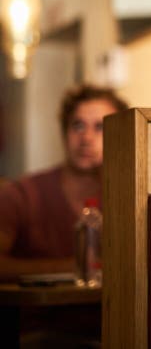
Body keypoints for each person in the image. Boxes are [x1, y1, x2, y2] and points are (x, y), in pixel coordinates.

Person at [0, 84, 128, 280]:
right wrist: (70, 266)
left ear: (121, 135)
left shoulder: (128, 197)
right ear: (64, 132)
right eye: (78, 125)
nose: (86, 138)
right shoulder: (22, 195)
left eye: (100, 127)